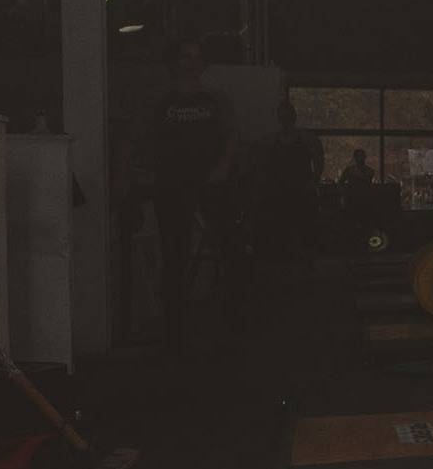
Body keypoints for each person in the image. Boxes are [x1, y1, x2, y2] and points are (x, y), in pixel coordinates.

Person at [116, 38, 244, 351]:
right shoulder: (159, 100)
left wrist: (223, 168)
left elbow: (232, 138)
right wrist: (120, 177)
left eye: (198, 57)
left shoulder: (216, 99)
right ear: (175, 63)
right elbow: (131, 139)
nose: (193, 63)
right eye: (187, 57)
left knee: (232, 247)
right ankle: (173, 330)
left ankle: (235, 319)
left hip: (211, 180)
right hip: (172, 181)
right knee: (175, 254)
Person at [249, 100, 322, 264]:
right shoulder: (271, 141)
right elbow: (262, 165)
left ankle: (309, 265)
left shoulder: (307, 139)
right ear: (278, 119)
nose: (285, 120)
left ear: (294, 117)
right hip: (280, 194)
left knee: (307, 233)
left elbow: (319, 161)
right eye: (282, 117)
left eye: (288, 117)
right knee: (283, 234)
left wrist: (314, 181)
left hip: (302, 192)